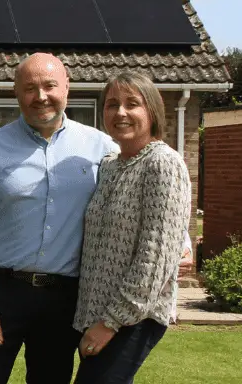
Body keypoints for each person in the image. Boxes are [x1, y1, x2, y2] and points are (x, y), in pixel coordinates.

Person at [0, 53, 118, 384]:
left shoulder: (101, 148)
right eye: (29, 88)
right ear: (16, 92)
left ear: (67, 87)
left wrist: (180, 243)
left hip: (65, 299)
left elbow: (138, 192)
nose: (40, 96)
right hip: (1, 293)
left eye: (49, 85)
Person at [71, 70, 192, 383]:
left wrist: (110, 322)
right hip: (98, 312)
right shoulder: (110, 165)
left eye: (132, 104)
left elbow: (155, 259)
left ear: (151, 111)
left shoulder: (163, 163)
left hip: (133, 316)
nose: (120, 112)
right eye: (112, 104)